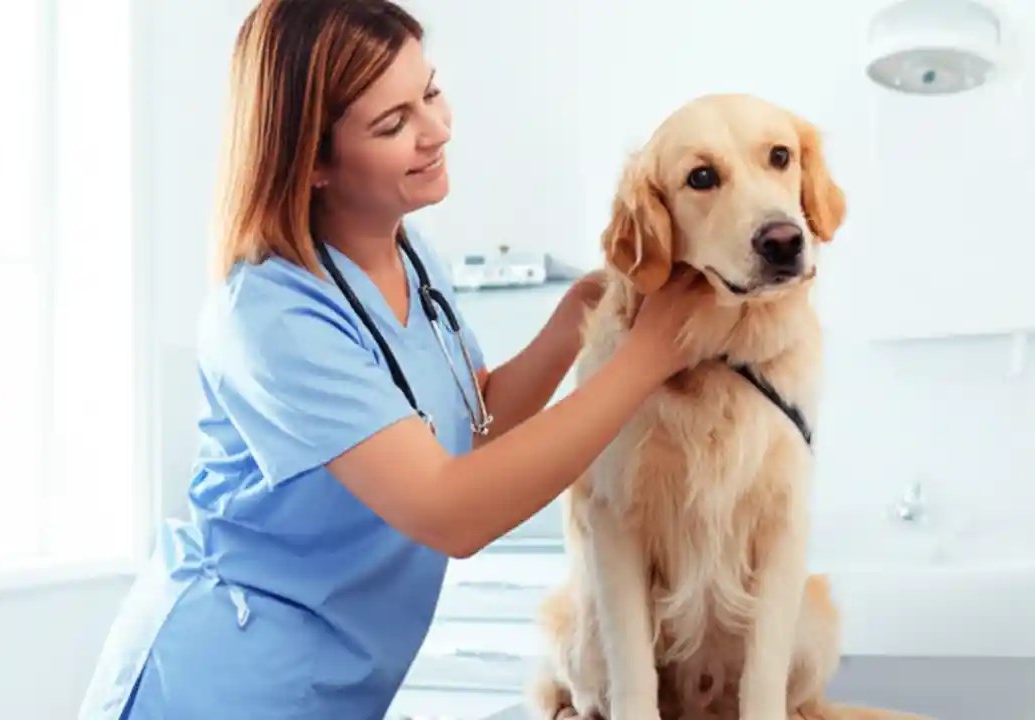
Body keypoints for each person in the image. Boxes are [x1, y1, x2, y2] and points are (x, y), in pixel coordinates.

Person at [79, 1, 722, 718]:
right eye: (394, 124)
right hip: (223, 683)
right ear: (312, 160)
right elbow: (451, 511)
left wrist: (576, 321)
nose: (437, 130)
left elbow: (466, 427)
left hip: (334, 687)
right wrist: (645, 359)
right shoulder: (270, 314)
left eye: (431, 92)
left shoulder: (409, 254)